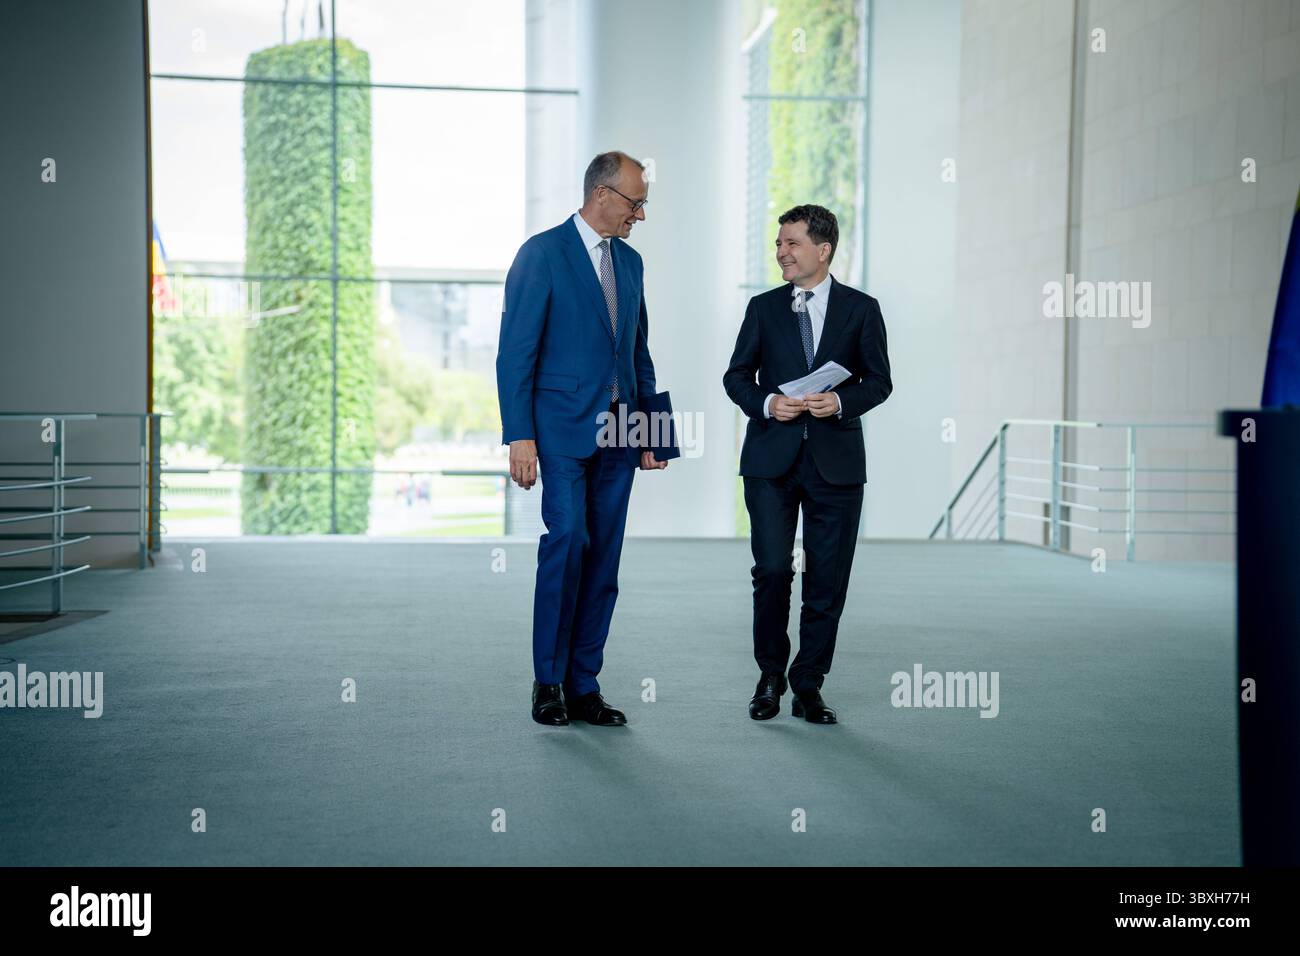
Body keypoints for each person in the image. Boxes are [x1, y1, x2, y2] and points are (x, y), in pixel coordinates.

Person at [496, 151, 668, 728]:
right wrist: (519, 435)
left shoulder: (634, 264)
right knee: (568, 540)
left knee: (605, 559)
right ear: (602, 195)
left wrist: (651, 431)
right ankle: (549, 681)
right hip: (561, 431)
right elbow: (515, 353)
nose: (640, 214)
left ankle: (585, 684)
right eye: (635, 202)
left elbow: (637, 351)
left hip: (621, 431)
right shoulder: (541, 255)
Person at [723, 204, 892, 724]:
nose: (782, 253)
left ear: (824, 249)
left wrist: (840, 403)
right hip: (771, 462)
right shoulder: (762, 307)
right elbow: (736, 377)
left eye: (792, 243)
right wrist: (769, 403)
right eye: (779, 244)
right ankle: (769, 674)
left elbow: (879, 382)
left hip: (836, 464)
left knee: (827, 579)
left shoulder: (862, 309)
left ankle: (808, 684)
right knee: (772, 570)